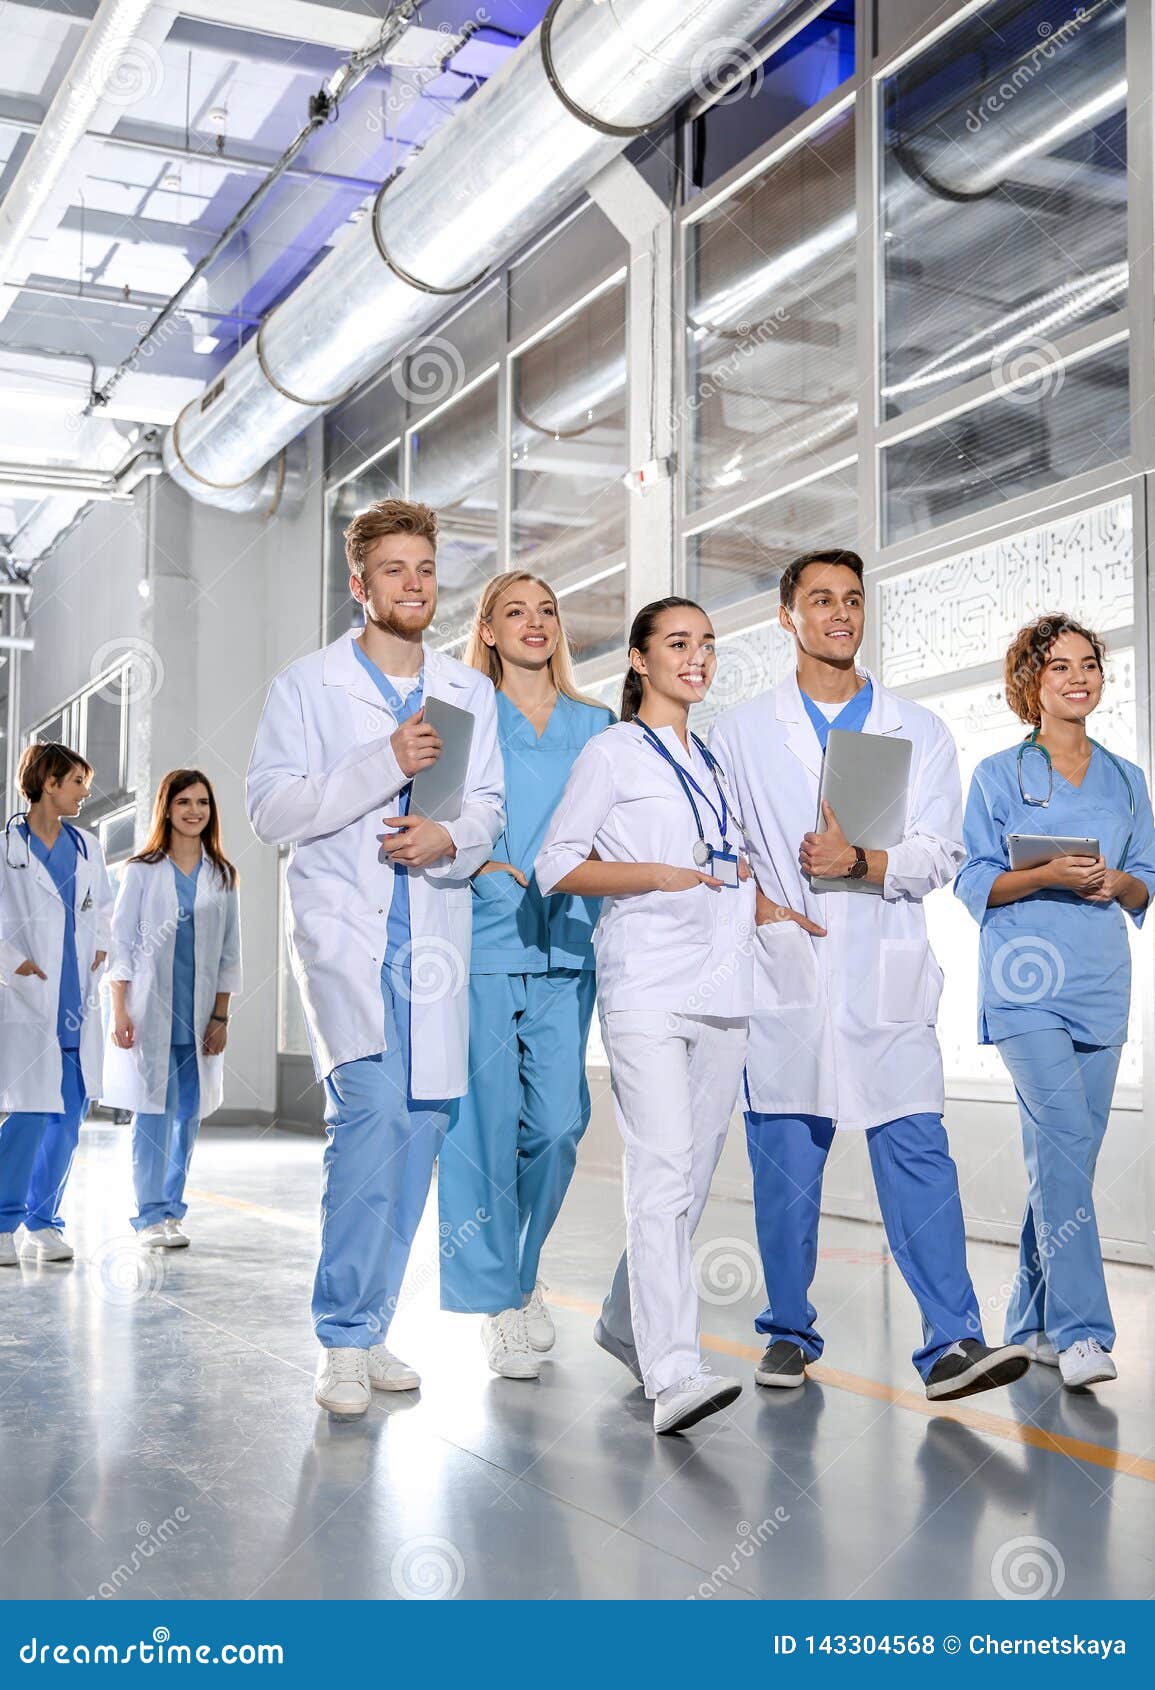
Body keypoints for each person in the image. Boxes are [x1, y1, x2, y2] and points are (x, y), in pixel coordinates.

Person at [710, 548, 1030, 1402]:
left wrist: (864, 858)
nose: (840, 614)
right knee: (785, 1160)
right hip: (788, 971)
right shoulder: (740, 732)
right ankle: (784, 1332)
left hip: (884, 966)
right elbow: (722, 850)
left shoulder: (916, 729)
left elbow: (940, 853)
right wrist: (756, 909)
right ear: (788, 615)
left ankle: (953, 1342)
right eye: (820, 600)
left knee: (917, 1150)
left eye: (851, 600)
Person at [246, 498, 504, 1416]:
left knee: (419, 1132)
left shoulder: (468, 691)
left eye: (425, 570)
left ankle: (373, 1322)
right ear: (359, 586)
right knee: (369, 1121)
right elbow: (272, 811)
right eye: (393, 571)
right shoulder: (306, 687)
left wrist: (448, 837)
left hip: (431, 937)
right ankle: (342, 1339)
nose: (413, 586)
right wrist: (381, 758)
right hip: (347, 940)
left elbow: (490, 810)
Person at [536, 597, 752, 1435]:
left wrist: (771, 907)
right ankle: (672, 1372)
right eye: (676, 643)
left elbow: (726, 863)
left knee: (690, 1182)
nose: (695, 657)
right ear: (637, 659)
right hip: (646, 986)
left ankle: (628, 1322)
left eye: (705, 643)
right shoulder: (612, 752)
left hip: (724, 987)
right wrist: (651, 876)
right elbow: (555, 864)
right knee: (660, 1173)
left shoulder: (716, 760)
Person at [954, 615, 1155, 1390]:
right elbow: (974, 879)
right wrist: (1044, 876)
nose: (1078, 677)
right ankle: (1082, 1334)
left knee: (1063, 1160)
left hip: (1100, 985)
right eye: (1058, 665)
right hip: (1023, 988)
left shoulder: (1126, 778)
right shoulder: (999, 775)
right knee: (1065, 1148)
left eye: (1088, 664)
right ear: (1028, 681)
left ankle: (1028, 1322)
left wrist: (1115, 883)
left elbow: (1145, 877)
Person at [438, 571, 614, 1378]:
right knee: (482, 1127)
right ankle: (499, 1302)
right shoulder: (459, 719)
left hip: (568, 941)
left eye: (547, 609)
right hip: (483, 937)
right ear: (487, 629)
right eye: (516, 612)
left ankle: (519, 1265)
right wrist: (483, 871)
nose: (536, 623)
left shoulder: (599, 724)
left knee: (555, 1124)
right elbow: (437, 821)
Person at [103, 770, 242, 1249]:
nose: (194, 811)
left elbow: (229, 952)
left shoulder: (221, 874)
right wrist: (120, 1010)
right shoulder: (141, 870)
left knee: (189, 1114)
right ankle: (148, 1217)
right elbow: (120, 943)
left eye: (202, 802)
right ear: (167, 808)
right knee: (152, 1113)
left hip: (199, 1015)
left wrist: (221, 1016)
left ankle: (172, 1210)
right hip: (150, 1013)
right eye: (184, 802)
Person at [0, 743, 113, 1266]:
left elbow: (104, 909)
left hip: (76, 998)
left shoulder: (88, 846)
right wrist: (13, 963)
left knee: (69, 1116)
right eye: (76, 784)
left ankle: (43, 1223)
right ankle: (3, 1221)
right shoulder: (6, 847)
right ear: (49, 783)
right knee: (27, 1113)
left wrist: (101, 946)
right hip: (29, 1001)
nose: (84, 794)